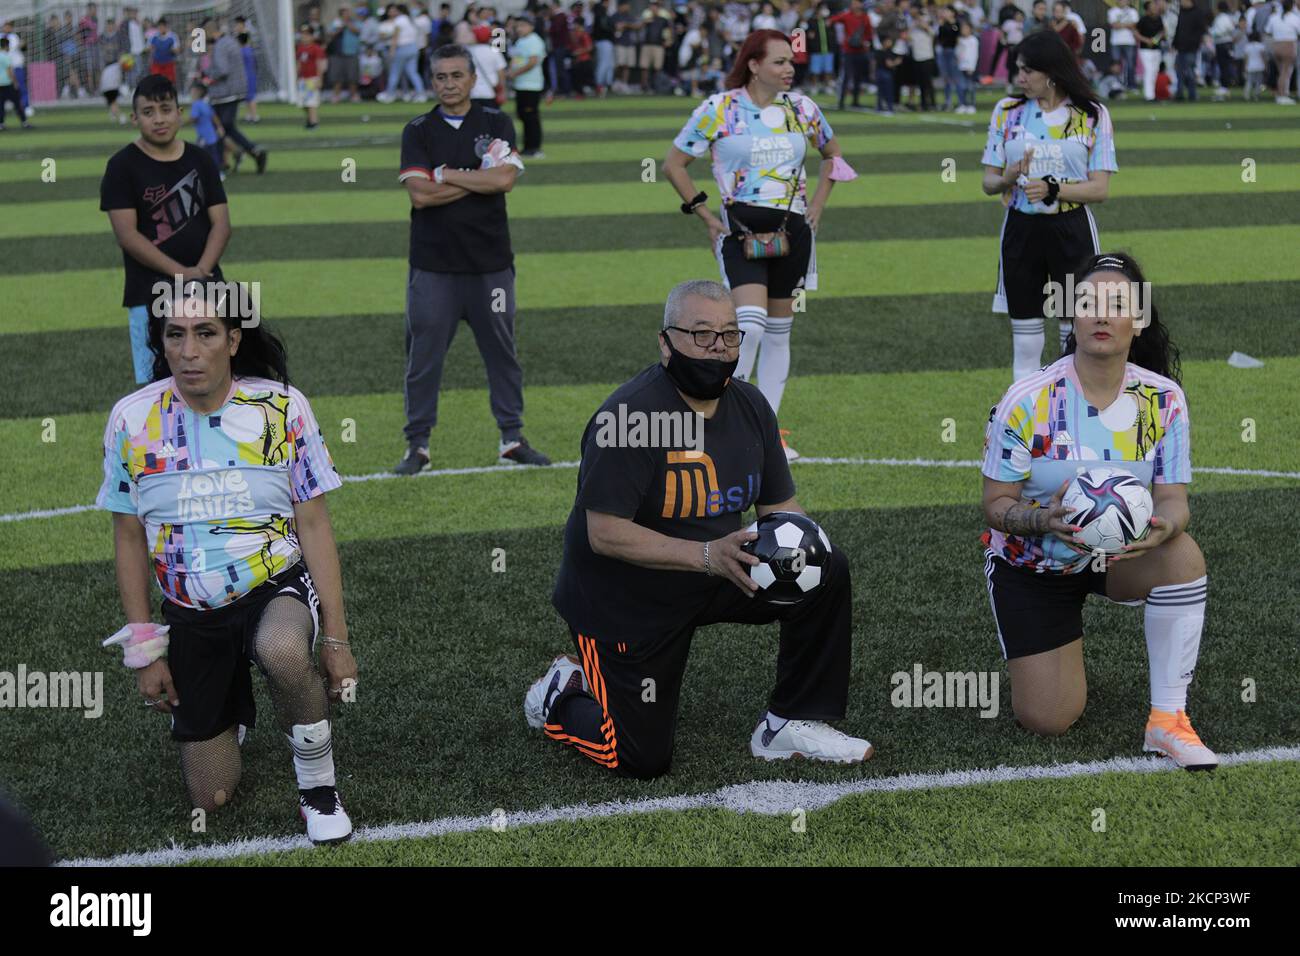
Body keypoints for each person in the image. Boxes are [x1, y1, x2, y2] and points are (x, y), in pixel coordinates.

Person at [529, 279, 873, 778]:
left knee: (826, 568)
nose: (718, 347)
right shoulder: (628, 417)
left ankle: (790, 722)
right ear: (665, 344)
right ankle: (563, 692)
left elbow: (783, 508)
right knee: (638, 759)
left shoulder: (752, 406)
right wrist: (707, 555)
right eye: (702, 334)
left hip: (718, 567)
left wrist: (799, 548)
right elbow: (603, 532)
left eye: (730, 335)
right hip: (626, 598)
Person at [97, 283, 357, 842]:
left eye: (206, 334)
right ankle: (226, 710)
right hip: (192, 609)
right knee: (210, 797)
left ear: (233, 340)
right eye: (176, 335)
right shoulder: (131, 420)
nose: (189, 350)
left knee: (285, 651)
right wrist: (146, 650)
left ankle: (318, 786)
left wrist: (334, 638)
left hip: (274, 585)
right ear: (161, 344)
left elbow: (313, 524)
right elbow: (127, 537)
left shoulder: (282, 407)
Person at [980, 251, 1216, 771]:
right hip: (1033, 566)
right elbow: (995, 504)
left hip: (1119, 556)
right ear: (1072, 317)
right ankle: (1055, 646)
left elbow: (1174, 499)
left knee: (1183, 557)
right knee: (1050, 719)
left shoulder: (1164, 400)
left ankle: (1169, 720)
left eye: (1117, 304)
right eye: (1088, 303)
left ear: (1138, 319)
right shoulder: (1027, 400)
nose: (1102, 315)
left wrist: (1164, 528)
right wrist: (1043, 519)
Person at [664, 29, 855, 461]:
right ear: (753, 65)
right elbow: (674, 163)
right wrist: (706, 216)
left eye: (791, 62)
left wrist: (820, 204)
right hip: (740, 233)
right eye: (780, 62)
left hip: (794, 231)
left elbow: (834, 155)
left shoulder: (802, 108)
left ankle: (768, 436)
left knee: (780, 333)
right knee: (747, 325)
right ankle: (718, 425)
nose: (790, 69)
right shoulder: (720, 108)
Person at [394, 43, 551, 474]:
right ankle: (418, 446)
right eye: (441, 77)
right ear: (432, 81)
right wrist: (478, 180)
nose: (449, 83)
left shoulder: (497, 121)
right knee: (423, 359)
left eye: (457, 75)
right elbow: (421, 196)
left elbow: (505, 181)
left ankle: (512, 438)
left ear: (472, 78)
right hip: (434, 266)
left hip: (491, 265)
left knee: (502, 353)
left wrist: (445, 174)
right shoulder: (418, 129)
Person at [982, 29, 1116, 383]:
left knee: (1073, 337)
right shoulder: (1007, 111)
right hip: (1021, 230)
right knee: (1025, 342)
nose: (1020, 78)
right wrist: (1010, 177)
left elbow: (1100, 189)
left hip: (1071, 232)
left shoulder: (1091, 114)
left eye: (1028, 71)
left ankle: (1069, 421)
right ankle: (1023, 424)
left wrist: (1055, 188)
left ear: (1052, 72)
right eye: (1019, 70)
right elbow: (988, 183)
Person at [100, 75, 231, 384]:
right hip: (150, 293)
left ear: (179, 113)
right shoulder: (121, 166)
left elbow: (222, 224)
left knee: (218, 380)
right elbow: (127, 236)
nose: (158, 119)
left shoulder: (201, 159)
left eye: (165, 109)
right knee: (156, 390)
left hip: (208, 286)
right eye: (148, 112)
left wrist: (201, 270)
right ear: (134, 118)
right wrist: (180, 273)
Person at [206, 19, 268, 173]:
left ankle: (223, 162)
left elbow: (222, 70)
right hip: (233, 91)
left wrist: (206, 75)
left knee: (220, 127)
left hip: (225, 93)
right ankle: (251, 153)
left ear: (210, 30)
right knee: (225, 127)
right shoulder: (230, 41)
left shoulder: (220, 45)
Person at [506, 15, 546, 155]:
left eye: (522, 26)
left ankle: (534, 147)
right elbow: (517, 59)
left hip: (531, 84)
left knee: (530, 116)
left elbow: (532, 61)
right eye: (518, 26)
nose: (519, 29)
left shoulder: (534, 40)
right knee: (523, 115)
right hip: (522, 84)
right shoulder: (521, 41)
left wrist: (514, 73)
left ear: (531, 26)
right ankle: (528, 146)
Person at [378, 4, 427, 102]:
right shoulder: (410, 19)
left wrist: (392, 50)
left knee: (394, 73)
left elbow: (396, 36)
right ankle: (421, 94)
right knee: (413, 73)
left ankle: (390, 95)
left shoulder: (399, 20)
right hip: (413, 48)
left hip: (403, 48)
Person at [831, 0, 873, 110]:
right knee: (846, 76)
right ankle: (841, 101)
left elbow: (869, 33)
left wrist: (865, 42)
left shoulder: (865, 17)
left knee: (858, 77)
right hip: (848, 50)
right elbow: (833, 20)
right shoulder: (847, 15)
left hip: (860, 50)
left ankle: (855, 100)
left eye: (856, 3)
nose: (853, 5)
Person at [1172, 0, 1208, 100]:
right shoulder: (1182, 12)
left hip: (1191, 48)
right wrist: (1174, 43)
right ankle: (1180, 94)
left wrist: (1194, 43)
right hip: (1180, 48)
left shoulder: (1198, 13)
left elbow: (1201, 30)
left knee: (1190, 72)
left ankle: (1192, 94)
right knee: (1179, 72)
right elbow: (1178, 29)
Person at [328, 5, 363, 103]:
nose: (347, 15)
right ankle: (336, 96)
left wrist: (348, 24)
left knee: (352, 76)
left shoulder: (355, 22)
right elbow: (331, 34)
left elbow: (358, 31)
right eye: (345, 13)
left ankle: (354, 95)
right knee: (337, 76)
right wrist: (340, 28)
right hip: (337, 53)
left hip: (351, 52)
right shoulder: (335, 23)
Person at [1267, 0, 1300, 103]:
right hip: (1288, 45)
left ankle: (1282, 93)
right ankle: (1282, 95)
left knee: (1281, 72)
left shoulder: (1274, 17)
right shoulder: (1294, 18)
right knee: (1285, 72)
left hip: (1276, 45)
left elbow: (1268, 31)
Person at [469, 24, 508, 109]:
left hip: (472, 92)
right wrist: (503, 91)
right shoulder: (495, 52)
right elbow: (501, 74)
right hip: (490, 92)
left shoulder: (469, 52)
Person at [189, 80, 224, 173]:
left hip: (204, 137)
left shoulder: (196, 105)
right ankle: (219, 172)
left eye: (192, 91)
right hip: (212, 136)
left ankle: (208, 173)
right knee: (213, 155)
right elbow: (214, 116)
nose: (191, 93)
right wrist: (220, 127)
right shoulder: (205, 104)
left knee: (198, 155)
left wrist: (181, 122)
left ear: (198, 92)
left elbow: (194, 118)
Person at [1136, 0, 1166, 100]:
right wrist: (1146, 40)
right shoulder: (1143, 20)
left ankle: (1153, 94)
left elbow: (1162, 31)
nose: (1155, 7)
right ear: (1147, 9)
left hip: (1156, 49)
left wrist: (1157, 38)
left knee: (1154, 71)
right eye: (1153, 6)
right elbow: (1136, 33)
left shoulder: (1159, 19)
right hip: (1145, 49)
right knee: (1149, 71)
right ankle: (1149, 96)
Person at [0, 37, 29, 130]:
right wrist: (15, 82)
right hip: (8, 84)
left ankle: (1, 124)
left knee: (0, 106)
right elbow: (10, 72)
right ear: (6, 46)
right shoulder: (6, 56)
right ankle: (24, 122)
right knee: (17, 104)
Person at [235, 18, 259, 122]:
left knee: (250, 97)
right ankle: (250, 115)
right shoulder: (249, 50)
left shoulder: (241, 52)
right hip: (251, 75)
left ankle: (254, 116)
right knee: (249, 97)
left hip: (246, 76)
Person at [956, 17, 980, 112]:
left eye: (966, 28)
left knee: (970, 87)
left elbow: (974, 54)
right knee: (962, 87)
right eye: (962, 29)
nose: (964, 31)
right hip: (961, 66)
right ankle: (962, 104)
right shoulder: (960, 40)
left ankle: (971, 105)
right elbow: (958, 53)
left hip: (970, 67)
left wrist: (972, 67)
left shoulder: (973, 40)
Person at [148, 17, 177, 84]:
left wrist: (170, 49)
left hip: (168, 63)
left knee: (169, 81)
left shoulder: (172, 36)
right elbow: (149, 48)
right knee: (156, 81)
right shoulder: (154, 37)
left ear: (166, 27)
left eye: (162, 27)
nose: (161, 29)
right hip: (157, 63)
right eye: (159, 27)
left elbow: (177, 50)